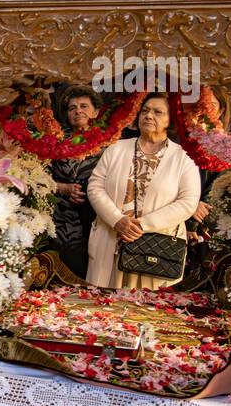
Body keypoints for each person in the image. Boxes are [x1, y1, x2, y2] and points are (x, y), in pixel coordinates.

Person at [86, 93, 201, 289]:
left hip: (156, 247)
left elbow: (188, 202)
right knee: (103, 308)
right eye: (145, 111)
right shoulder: (116, 149)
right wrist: (118, 220)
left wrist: (142, 225)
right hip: (110, 239)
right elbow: (95, 186)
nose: (148, 116)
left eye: (157, 112)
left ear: (170, 120)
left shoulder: (184, 157)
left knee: (149, 311)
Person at [49, 86, 101, 278]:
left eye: (84, 106)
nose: (78, 110)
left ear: (95, 112)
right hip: (61, 222)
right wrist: (62, 188)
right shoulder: (54, 142)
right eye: (72, 108)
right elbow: (38, 178)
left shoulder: (108, 144)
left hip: (96, 220)